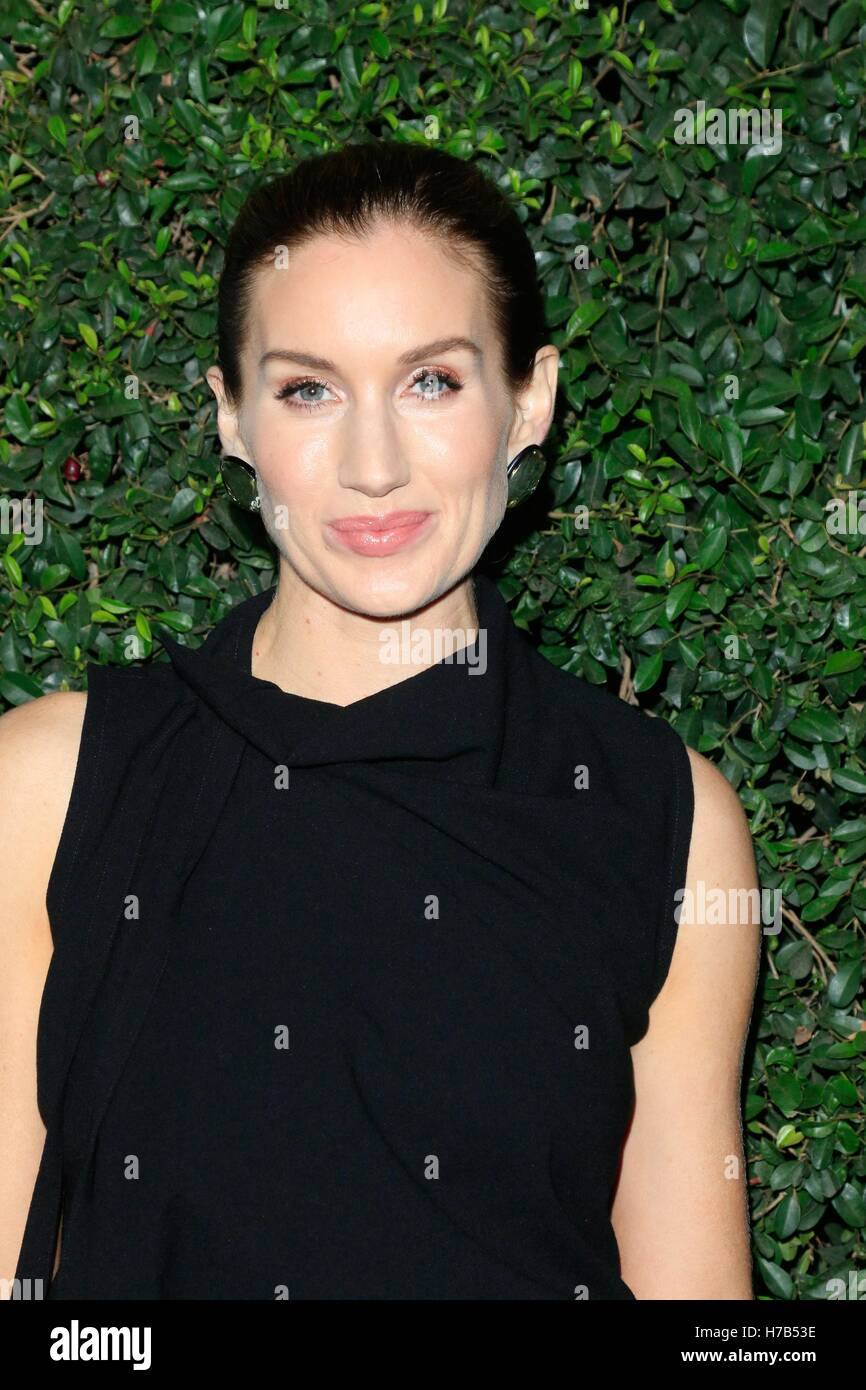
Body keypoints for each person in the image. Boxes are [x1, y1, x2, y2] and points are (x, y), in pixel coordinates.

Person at [1, 139, 760, 1301]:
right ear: (231, 418)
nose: (370, 465)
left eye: (432, 382)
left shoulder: (657, 814)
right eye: (307, 388)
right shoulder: (49, 785)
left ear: (529, 400)